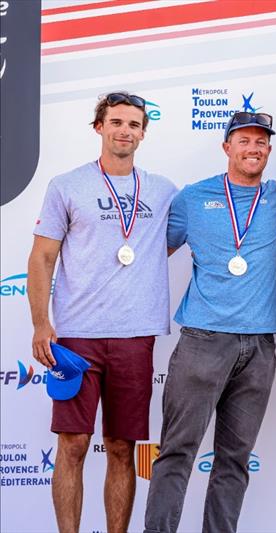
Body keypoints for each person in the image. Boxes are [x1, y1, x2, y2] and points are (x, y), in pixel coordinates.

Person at [27, 92, 176, 533]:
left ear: (143, 134)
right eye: (116, 122)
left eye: (133, 124)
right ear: (99, 128)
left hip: (135, 337)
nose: (124, 131)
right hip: (77, 338)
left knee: (121, 446)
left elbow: (218, 206)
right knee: (72, 445)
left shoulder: (164, 190)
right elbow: (41, 258)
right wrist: (41, 322)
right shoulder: (67, 186)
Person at [143, 111, 276, 533]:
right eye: (244, 141)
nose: (253, 148)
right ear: (227, 147)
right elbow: (154, 255)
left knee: (235, 460)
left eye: (261, 142)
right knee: (177, 451)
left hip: (260, 345)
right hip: (203, 340)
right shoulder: (192, 198)